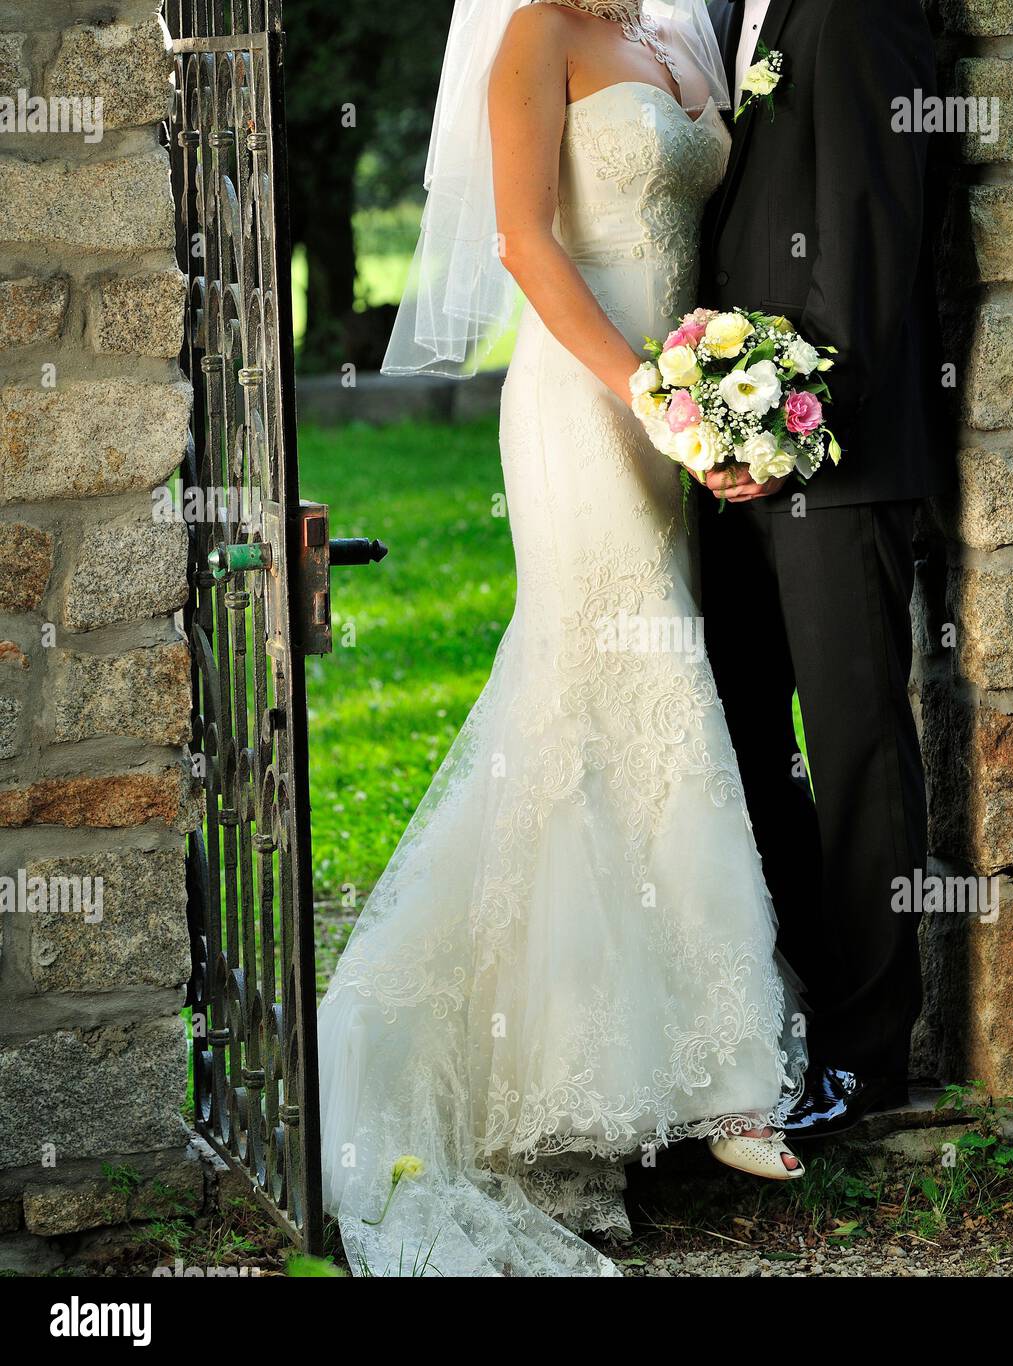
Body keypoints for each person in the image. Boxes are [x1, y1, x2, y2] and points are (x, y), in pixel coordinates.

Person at [317, 0, 807, 1279]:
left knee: (640, 696)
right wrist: (649, 393)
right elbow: (528, 246)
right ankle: (665, 1088)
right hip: (584, 402)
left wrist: (714, 391)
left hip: (674, 403)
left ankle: (666, 1064)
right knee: (614, 686)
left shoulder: (670, 45)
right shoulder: (533, 33)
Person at [697, 0, 955, 1136]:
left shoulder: (855, 11)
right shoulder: (736, 12)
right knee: (741, 737)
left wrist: (796, 426)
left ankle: (867, 1058)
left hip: (828, 458)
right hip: (736, 451)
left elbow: (868, 228)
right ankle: (811, 1005)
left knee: (853, 753)